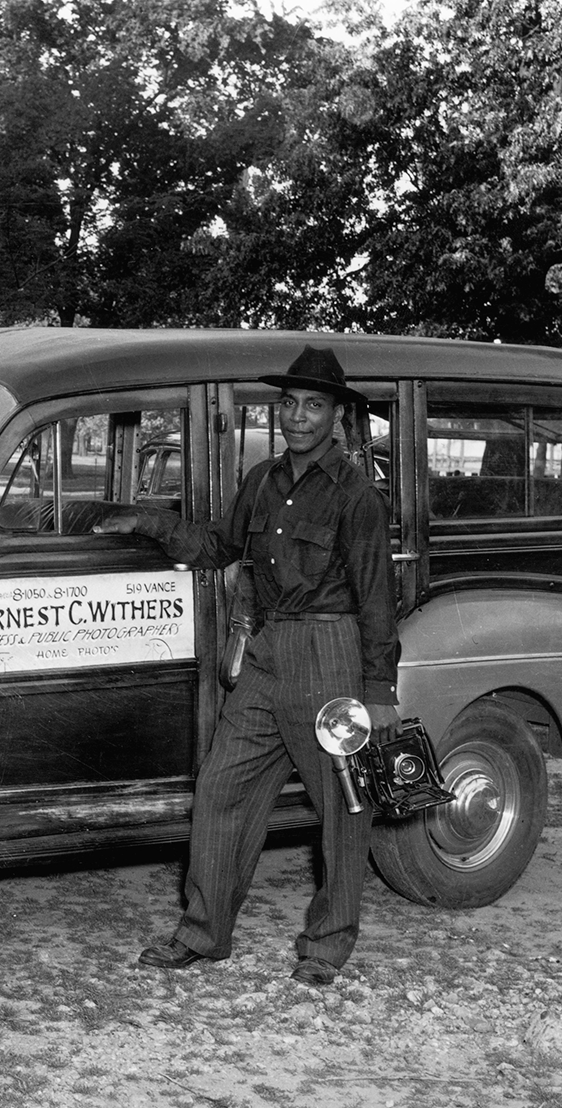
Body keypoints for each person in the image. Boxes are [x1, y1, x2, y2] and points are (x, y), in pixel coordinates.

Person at [95, 346, 400, 986]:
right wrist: (150, 525)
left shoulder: (356, 495)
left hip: (331, 655)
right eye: (289, 404)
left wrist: (378, 692)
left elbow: (377, 600)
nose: (297, 417)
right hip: (267, 653)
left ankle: (327, 946)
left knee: (344, 808)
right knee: (222, 787)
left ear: (338, 414)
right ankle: (204, 934)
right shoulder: (261, 481)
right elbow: (219, 546)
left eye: (313, 406)